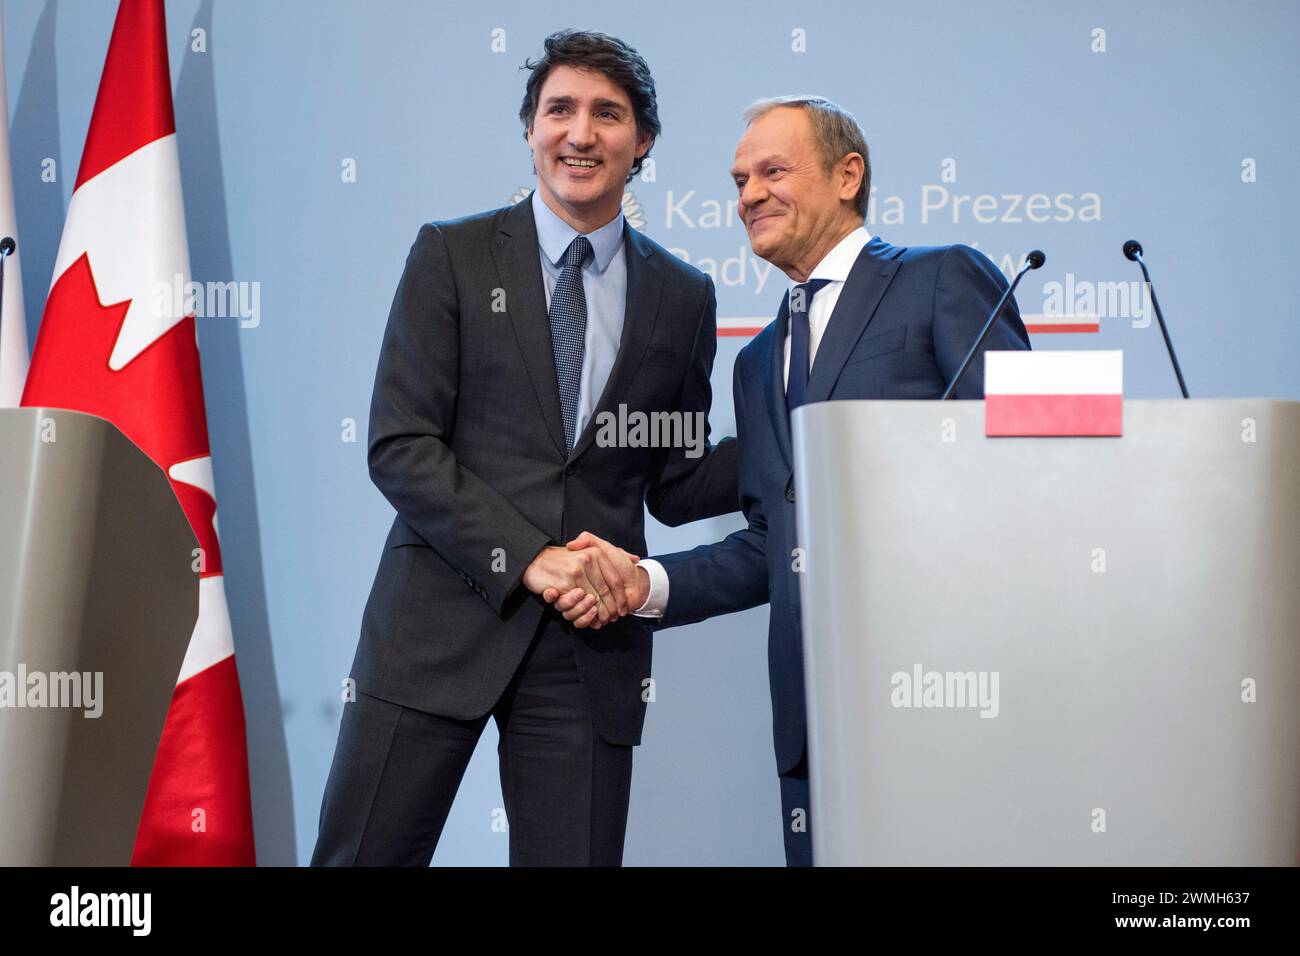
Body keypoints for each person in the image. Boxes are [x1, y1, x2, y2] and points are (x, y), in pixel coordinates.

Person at [553, 95, 1031, 866]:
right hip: (813, 719)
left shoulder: (941, 279)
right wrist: (645, 584)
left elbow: (1031, 459)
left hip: (951, 687)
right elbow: (775, 542)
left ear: (849, 176)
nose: (748, 196)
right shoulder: (756, 361)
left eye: (773, 171)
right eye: (739, 181)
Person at [311, 30, 738, 867]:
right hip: (435, 627)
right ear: (531, 128)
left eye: (607, 114)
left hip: (589, 653)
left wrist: (799, 429)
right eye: (560, 110)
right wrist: (531, 557)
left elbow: (677, 480)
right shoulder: (454, 255)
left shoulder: (684, 296)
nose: (581, 133)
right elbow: (402, 445)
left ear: (641, 141)